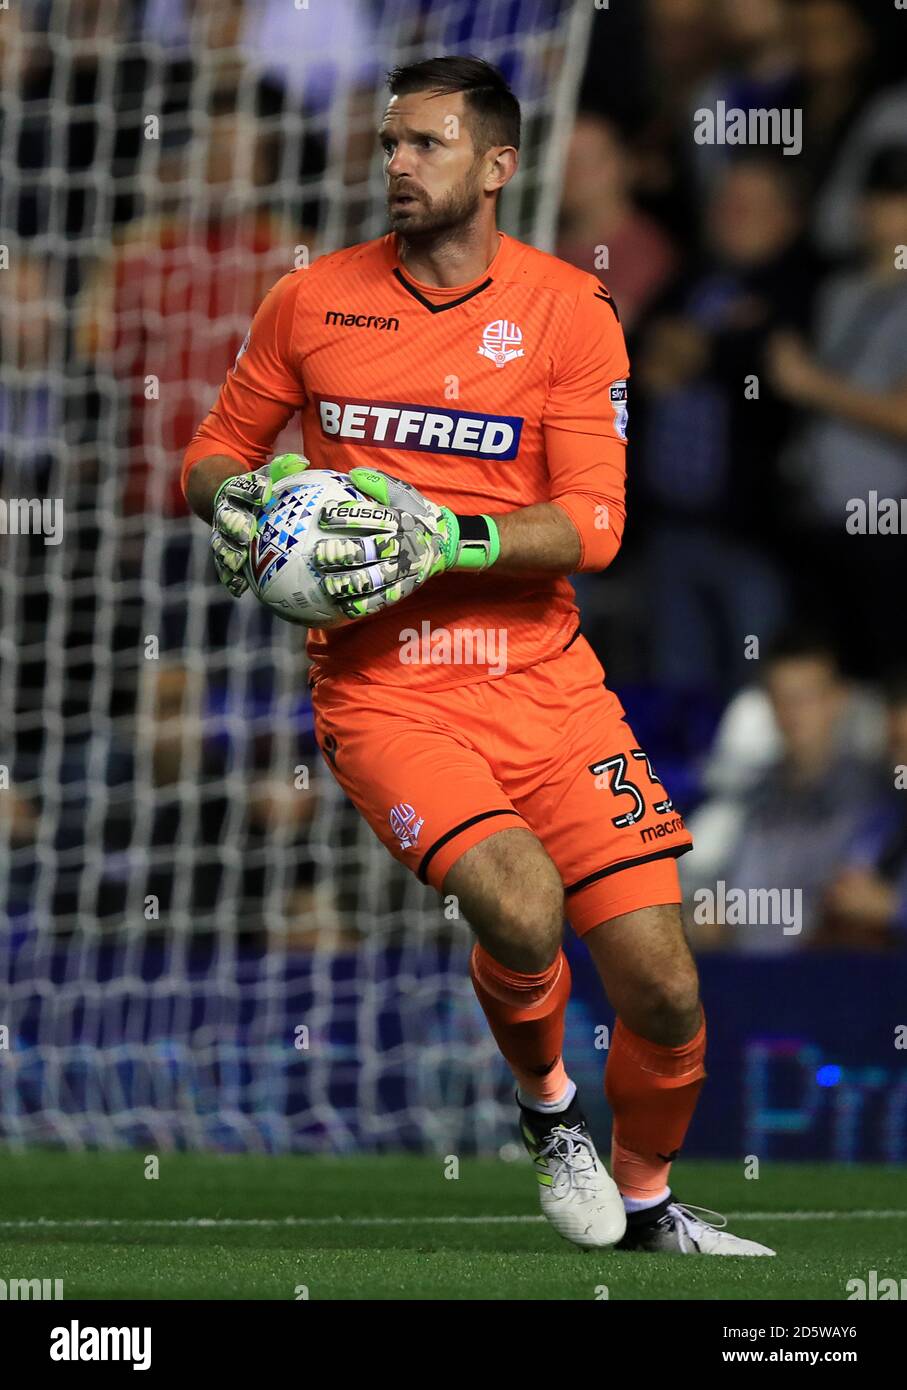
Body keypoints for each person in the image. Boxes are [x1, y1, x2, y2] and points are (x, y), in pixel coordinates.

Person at [182, 56, 771, 1256]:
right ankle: (550, 1113)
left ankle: (647, 1203)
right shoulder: (309, 301)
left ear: (498, 166)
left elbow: (594, 526)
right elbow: (209, 454)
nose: (396, 163)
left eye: (427, 144)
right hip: (386, 692)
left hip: (547, 687)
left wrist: (439, 535)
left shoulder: (568, 310)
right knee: (517, 898)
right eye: (390, 142)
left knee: (663, 983)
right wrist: (243, 503)